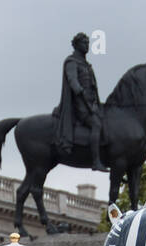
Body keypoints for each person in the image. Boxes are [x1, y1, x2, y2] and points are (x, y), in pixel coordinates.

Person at [53, 32, 108, 172]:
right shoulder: (71, 62)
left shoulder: (86, 64)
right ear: (77, 45)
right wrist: (80, 91)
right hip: (79, 105)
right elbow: (72, 80)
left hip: (91, 102)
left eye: (88, 43)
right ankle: (96, 161)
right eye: (84, 43)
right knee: (96, 124)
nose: (87, 45)